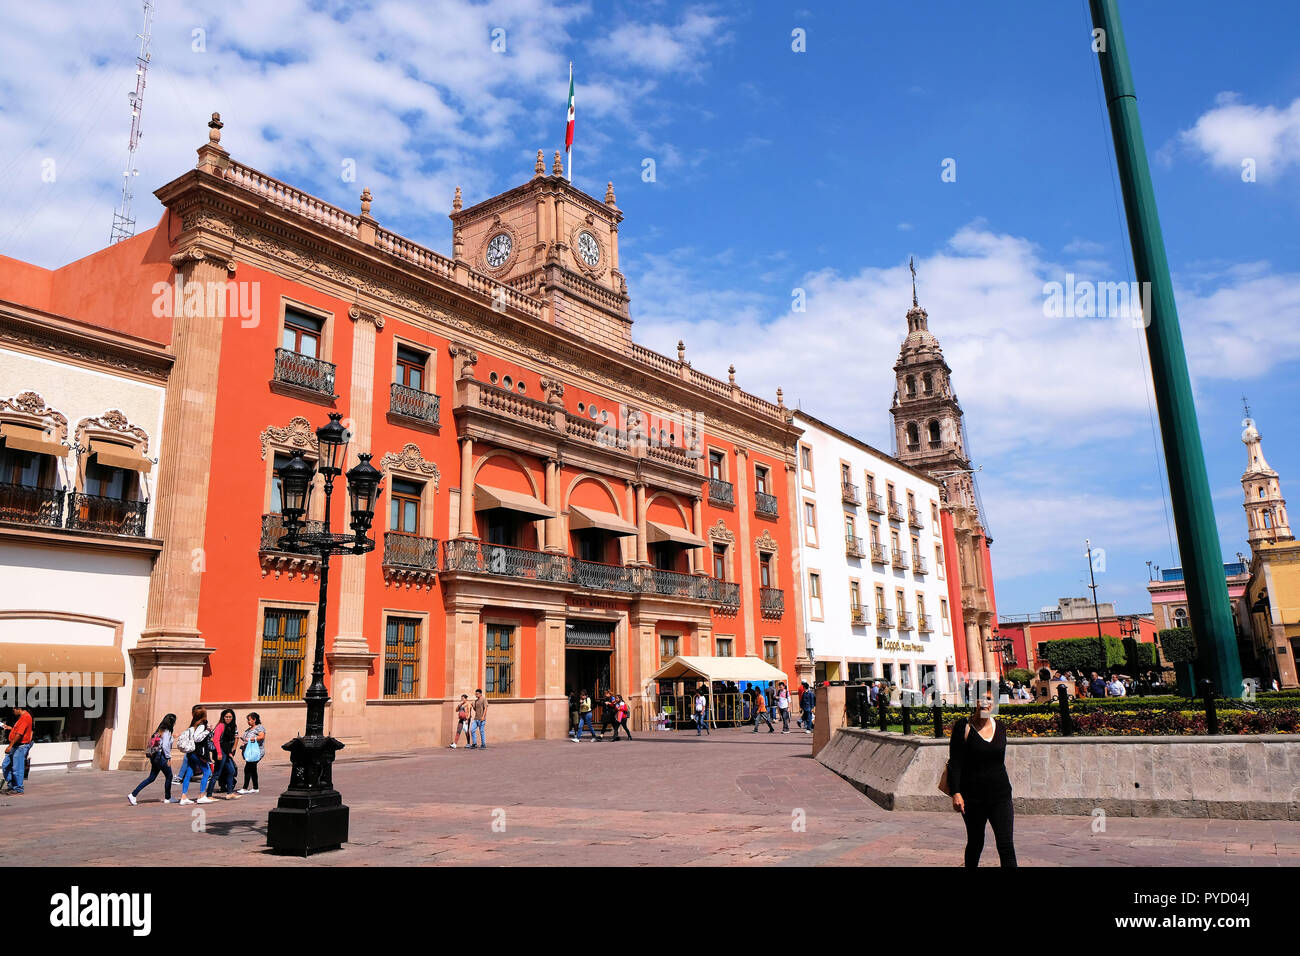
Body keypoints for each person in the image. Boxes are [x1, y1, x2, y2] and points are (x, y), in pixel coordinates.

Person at [948, 692, 1016, 867]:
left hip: (1001, 796)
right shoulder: (963, 727)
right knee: (976, 842)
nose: (985, 703)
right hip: (972, 798)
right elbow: (955, 762)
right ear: (974, 702)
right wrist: (956, 792)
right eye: (981, 699)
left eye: (989, 699)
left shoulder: (1000, 727)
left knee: (1006, 845)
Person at [129, 713, 177, 805]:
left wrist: (172, 738)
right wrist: (168, 758)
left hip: (154, 757)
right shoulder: (167, 731)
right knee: (169, 776)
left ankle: (133, 794)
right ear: (172, 722)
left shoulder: (159, 730)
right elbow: (165, 746)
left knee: (151, 778)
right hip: (161, 757)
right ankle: (168, 797)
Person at [177, 708, 214, 805]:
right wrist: (208, 731)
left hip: (191, 753)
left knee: (189, 772)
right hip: (198, 753)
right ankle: (202, 795)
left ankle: (184, 797)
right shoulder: (202, 725)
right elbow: (197, 738)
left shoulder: (193, 724)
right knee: (207, 771)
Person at [205, 709, 240, 799]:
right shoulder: (221, 726)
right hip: (220, 752)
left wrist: (230, 752)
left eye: (230, 717)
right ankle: (209, 794)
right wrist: (219, 753)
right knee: (217, 773)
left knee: (231, 771)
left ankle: (229, 793)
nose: (228, 719)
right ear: (223, 717)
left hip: (226, 752)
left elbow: (231, 740)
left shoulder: (232, 726)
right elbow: (216, 740)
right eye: (226, 717)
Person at [1, 705, 35, 794]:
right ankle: (11, 786)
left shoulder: (26, 717)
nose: (13, 711)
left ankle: (18, 789)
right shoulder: (21, 717)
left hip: (20, 746)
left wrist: (10, 746)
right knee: (6, 765)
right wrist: (10, 728)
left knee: (17, 768)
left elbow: (19, 734)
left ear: (19, 708)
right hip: (16, 746)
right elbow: (19, 730)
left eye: (13, 710)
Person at [237, 713, 265, 794]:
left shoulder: (259, 727)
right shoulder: (249, 729)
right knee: (252, 769)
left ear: (254, 719)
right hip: (250, 752)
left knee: (248, 769)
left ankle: (245, 788)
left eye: (249, 720)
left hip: (256, 751)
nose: (248, 721)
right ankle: (255, 788)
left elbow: (261, 736)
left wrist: (250, 739)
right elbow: (246, 739)